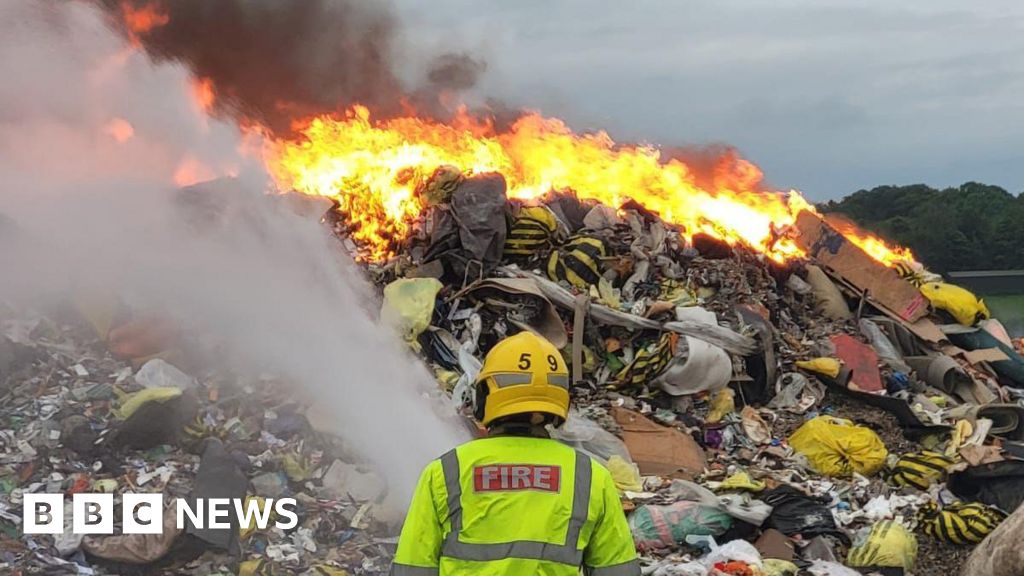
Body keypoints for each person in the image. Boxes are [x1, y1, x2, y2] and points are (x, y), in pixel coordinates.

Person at [391, 331, 640, 576]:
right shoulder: (590, 477)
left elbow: (413, 568)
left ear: (484, 396)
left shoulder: (445, 472)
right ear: (562, 399)